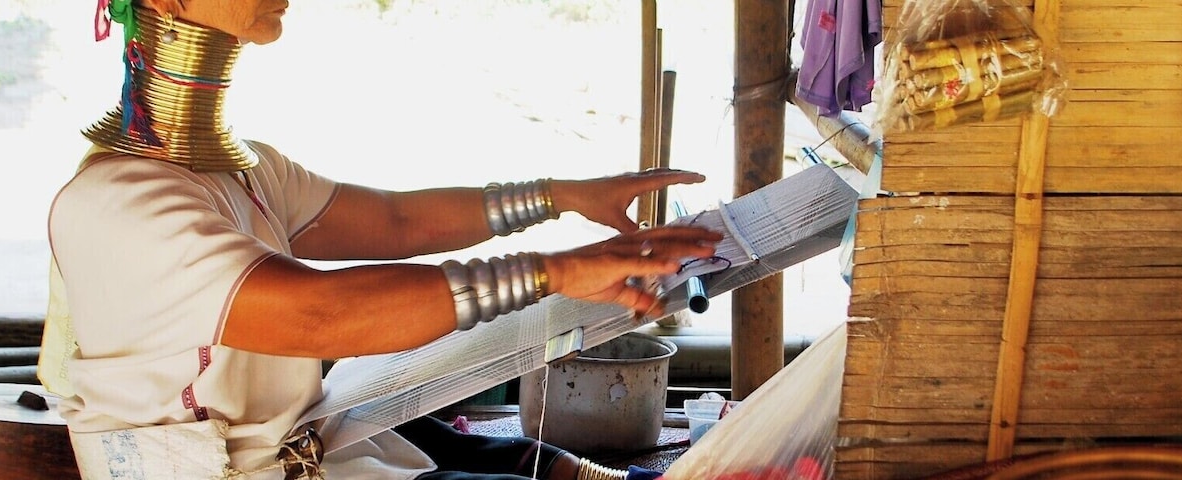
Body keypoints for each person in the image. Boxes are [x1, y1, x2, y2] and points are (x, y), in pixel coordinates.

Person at [42, 0, 721, 478]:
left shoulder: (243, 169)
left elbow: (397, 222)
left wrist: (561, 196)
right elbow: (324, 315)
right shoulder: (118, 206)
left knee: (517, 462)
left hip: (295, 452)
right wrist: (555, 272)